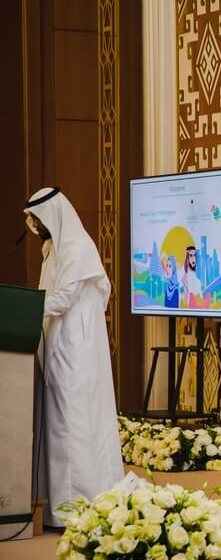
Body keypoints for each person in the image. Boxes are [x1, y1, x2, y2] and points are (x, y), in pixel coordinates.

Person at [24, 187, 124, 527]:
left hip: (76, 349)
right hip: (57, 342)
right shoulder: (53, 249)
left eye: (38, 219)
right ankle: (59, 506)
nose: (35, 226)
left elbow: (63, 298)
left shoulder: (78, 248)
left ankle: (79, 506)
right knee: (58, 424)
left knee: (75, 421)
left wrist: (27, 307)